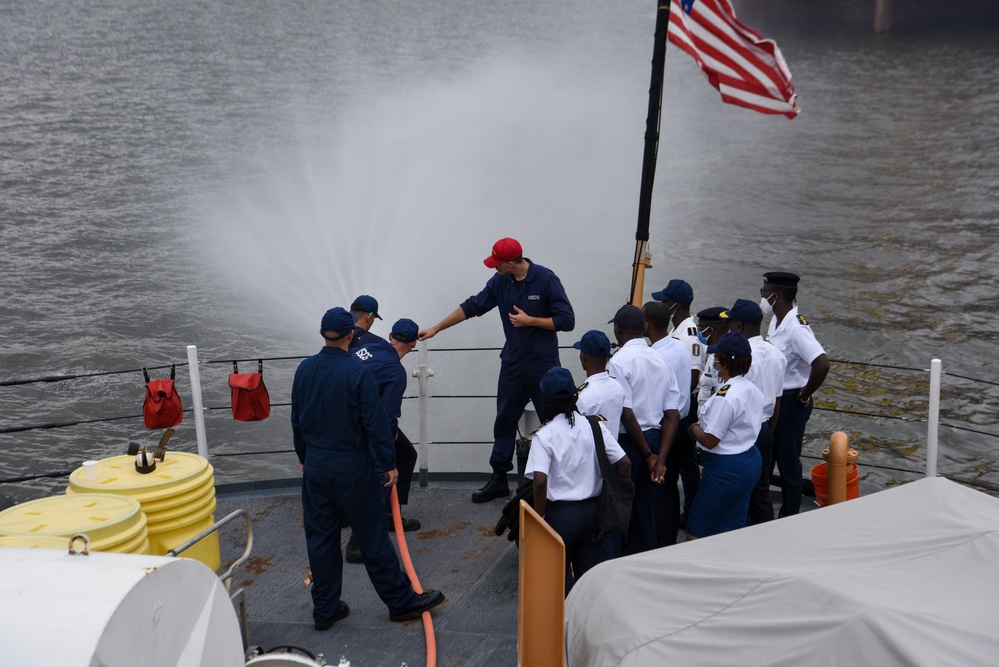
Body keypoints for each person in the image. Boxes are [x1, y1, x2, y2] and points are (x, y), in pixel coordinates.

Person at [292, 307, 444, 629]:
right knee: (373, 537)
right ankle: (400, 602)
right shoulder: (358, 373)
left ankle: (325, 610)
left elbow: (297, 420)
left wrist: (304, 457)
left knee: (321, 540)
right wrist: (389, 464)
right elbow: (376, 424)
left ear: (321, 333)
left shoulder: (304, 369)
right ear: (351, 334)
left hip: (316, 468)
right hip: (352, 469)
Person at [418, 237, 575, 503]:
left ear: (511, 262)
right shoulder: (501, 281)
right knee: (504, 419)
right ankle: (499, 479)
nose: (494, 267)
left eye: (497, 263)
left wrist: (530, 321)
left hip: (543, 365)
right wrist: (436, 328)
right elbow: (472, 306)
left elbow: (567, 321)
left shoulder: (545, 279)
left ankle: (562, 480)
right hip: (513, 362)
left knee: (553, 422)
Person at [525, 367, 630, 595]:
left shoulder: (544, 435)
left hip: (560, 516)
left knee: (557, 583)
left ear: (545, 401)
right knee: (590, 581)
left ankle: (565, 616)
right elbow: (624, 463)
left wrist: (540, 518)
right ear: (575, 396)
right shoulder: (594, 425)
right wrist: (616, 497)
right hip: (594, 513)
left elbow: (540, 482)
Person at [344, 318, 422, 564]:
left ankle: (390, 515)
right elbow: (387, 419)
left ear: (389, 335)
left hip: (344, 413)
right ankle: (357, 545)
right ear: (413, 344)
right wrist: (388, 453)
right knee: (382, 478)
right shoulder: (395, 372)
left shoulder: (371, 345)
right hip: (361, 425)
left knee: (407, 454)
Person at [606, 305, 680, 554]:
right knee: (645, 507)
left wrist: (648, 456)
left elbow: (626, 414)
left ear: (618, 329)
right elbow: (672, 415)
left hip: (630, 443)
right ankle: (645, 557)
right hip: (656, 439)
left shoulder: (618, 362)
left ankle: (615, 561)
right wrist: (660, 460)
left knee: (619, 505)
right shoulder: (661, 360)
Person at [761, 271, 831, 517]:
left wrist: (805, 394)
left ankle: (789, 516)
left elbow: (821, 363)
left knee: (789, 465)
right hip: (776, 401)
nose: (762, 296)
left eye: (764, 292)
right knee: (767, 460)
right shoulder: (776, 321)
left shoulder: (796, 328)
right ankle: (761, 515)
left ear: (776, 295)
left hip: (792, 403)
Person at [687, 332, 764, 540]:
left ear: (724, 361)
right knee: (732, 526)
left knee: (696, 532)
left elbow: (711, 440)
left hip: (726, 471)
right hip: (749, 460)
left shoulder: (726, 396)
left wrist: (692, 428)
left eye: (717, 356)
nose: (714, 360)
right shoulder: (752, 389)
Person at [721, 299, 786, 525]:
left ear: (738, 326)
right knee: (761, 490)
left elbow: (731, 398)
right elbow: (777, 400)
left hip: (741, 432)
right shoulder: (776, 354)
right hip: (764, 429)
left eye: (730, 324)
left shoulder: (741, 357)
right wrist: (768, 432)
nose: (728, 328)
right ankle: (765, 535)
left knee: (735, 490)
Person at [653, 279, 704, 527]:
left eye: (665, 301)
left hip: (683, 406)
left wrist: (676, 403)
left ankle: (691, 510)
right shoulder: (676, 332)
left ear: (674, 305)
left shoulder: (689, 336)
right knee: (681, 463)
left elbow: (693, 377)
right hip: (678, 406)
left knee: (687, 463)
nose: (662, 305)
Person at [643, 301, 694, 546]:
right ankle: (670, 536)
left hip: (666, 427)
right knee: (671, 485)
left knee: (659, 489)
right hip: (682, 423)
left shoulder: (655, 357)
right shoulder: (681, 347)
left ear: (647, 325)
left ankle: (661, 543)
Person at [573, 330, 625, 438]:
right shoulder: (618, 387)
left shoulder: (582, 397)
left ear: (583, 357)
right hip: (614, 447)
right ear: (608, 358)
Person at [695, 307, 728, 413]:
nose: (698, 333)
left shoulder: (726, 358)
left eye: (700, 328)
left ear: (710, 330)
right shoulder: (713, 352)